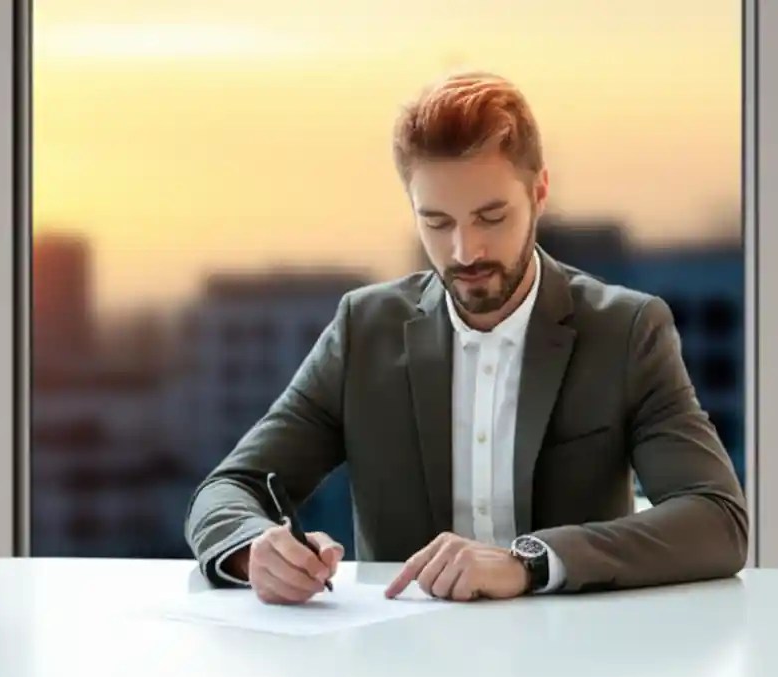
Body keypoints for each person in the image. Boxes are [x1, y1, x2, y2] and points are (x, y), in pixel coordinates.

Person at [184, 70, 747, 604]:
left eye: (491, 217)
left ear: (540, 192)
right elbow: (228, 489)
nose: (465, 251)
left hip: (576, 668)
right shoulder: (365, 330)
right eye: (437, 222)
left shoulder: (625, 330)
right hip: (402, 673)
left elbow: (717, 518)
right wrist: (254, 551)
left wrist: (529, 562)